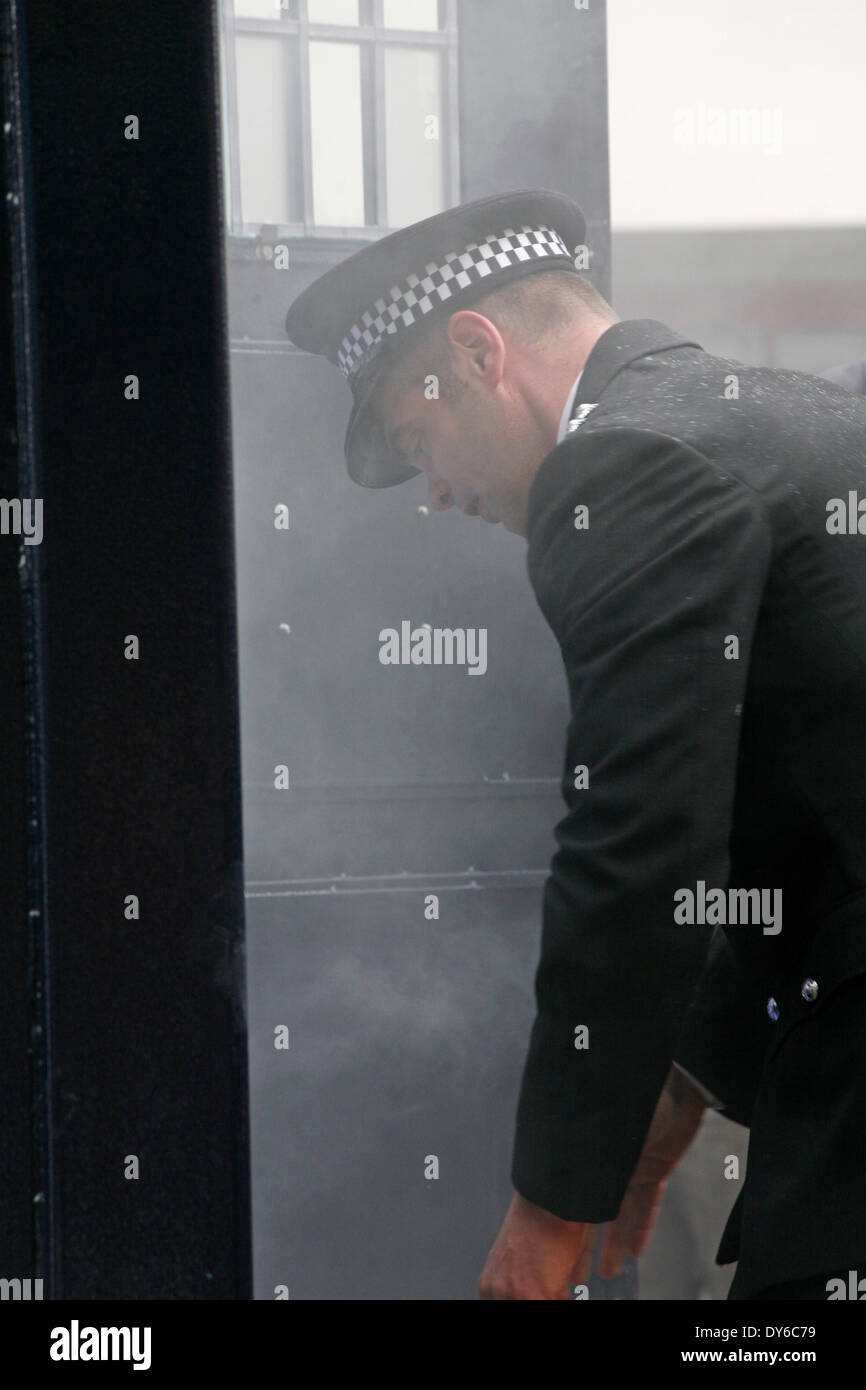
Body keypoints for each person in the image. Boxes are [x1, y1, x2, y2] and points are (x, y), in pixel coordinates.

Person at [285, 190, 866, 1301]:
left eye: (421, 440)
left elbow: (639, 853)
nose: (441, 492)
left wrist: (548, 1211)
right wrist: (681, 1085)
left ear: (476, 348)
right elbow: (808, 810)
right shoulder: (782, 416)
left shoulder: (619, 468)